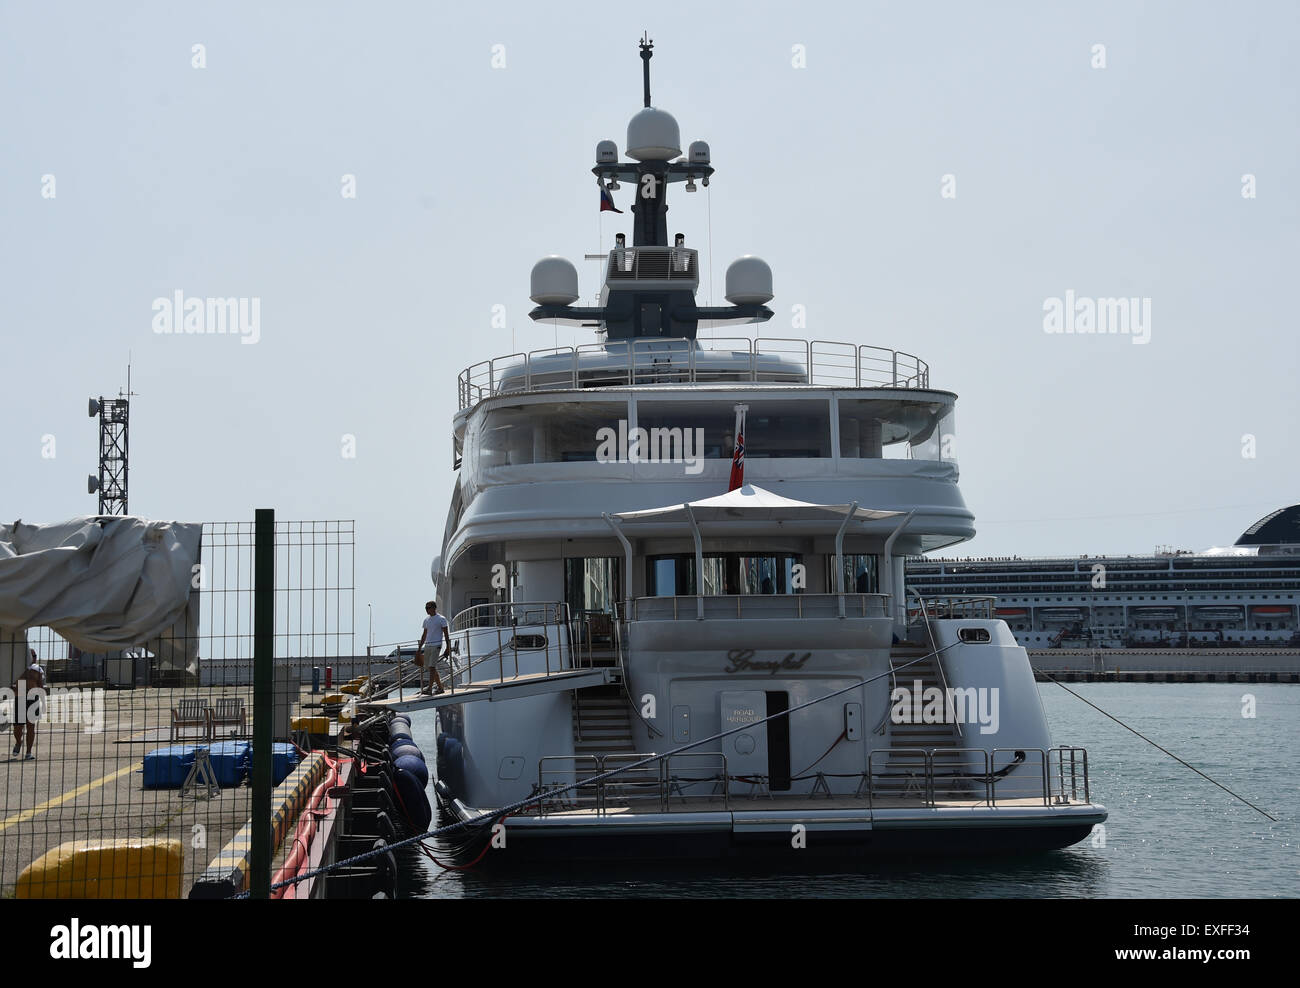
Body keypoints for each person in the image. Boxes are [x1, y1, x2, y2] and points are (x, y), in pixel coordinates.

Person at [12, 651, 44, 761]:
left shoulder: (38, 669)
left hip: (33, 699)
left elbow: (40, 685)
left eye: (35, 656)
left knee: (31, 726)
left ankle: (28, 752)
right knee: (17, 727)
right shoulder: (17, 667)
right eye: (32, 656)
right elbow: (10, 682)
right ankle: (18, 742)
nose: (34, 658)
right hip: (20, 698)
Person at [416, 601, 451, 695]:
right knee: (429, 667)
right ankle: (440, 688)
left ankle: (429, 689)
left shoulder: (441, 619)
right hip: (427, 645)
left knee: (432, 667)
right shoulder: (426, 620)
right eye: (425, 608)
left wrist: (448, 648)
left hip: (437, 645)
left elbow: (446, 635)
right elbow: (424, 635)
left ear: (434, 608)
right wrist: (419, 648)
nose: (426, 610)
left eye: (428, 607)